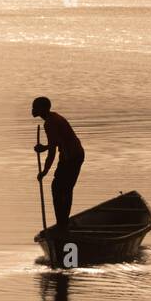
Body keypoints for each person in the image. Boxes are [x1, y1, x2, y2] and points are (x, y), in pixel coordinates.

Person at [32, 96, 85, 229]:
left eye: (36, 107)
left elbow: (52, 152)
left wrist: (44, 171)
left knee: (62, 189)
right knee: (60, 188)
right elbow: (54, 144)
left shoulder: (50, 122)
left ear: (43, 109)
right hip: (69, 156)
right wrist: (44, 147)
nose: (33, 109)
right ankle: (62, 222)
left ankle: (62, 223)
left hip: (73, 157)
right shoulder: (52, 119)